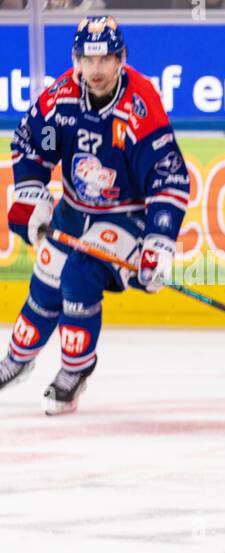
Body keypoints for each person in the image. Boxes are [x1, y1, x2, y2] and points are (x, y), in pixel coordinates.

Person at [2, 16, 188, 414]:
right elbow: (28, 147)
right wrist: (32, 201)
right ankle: (19, 356)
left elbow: (168, 178)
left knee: (79, 274)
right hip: (75, 208)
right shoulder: (60, 98)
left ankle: (75, 369)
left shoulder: (141, 104)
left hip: (127, 217)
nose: (96, 69)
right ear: (75, 60)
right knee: (47, 274)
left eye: (106, 59)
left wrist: (158, 243)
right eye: (88, 59)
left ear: (121, 58)